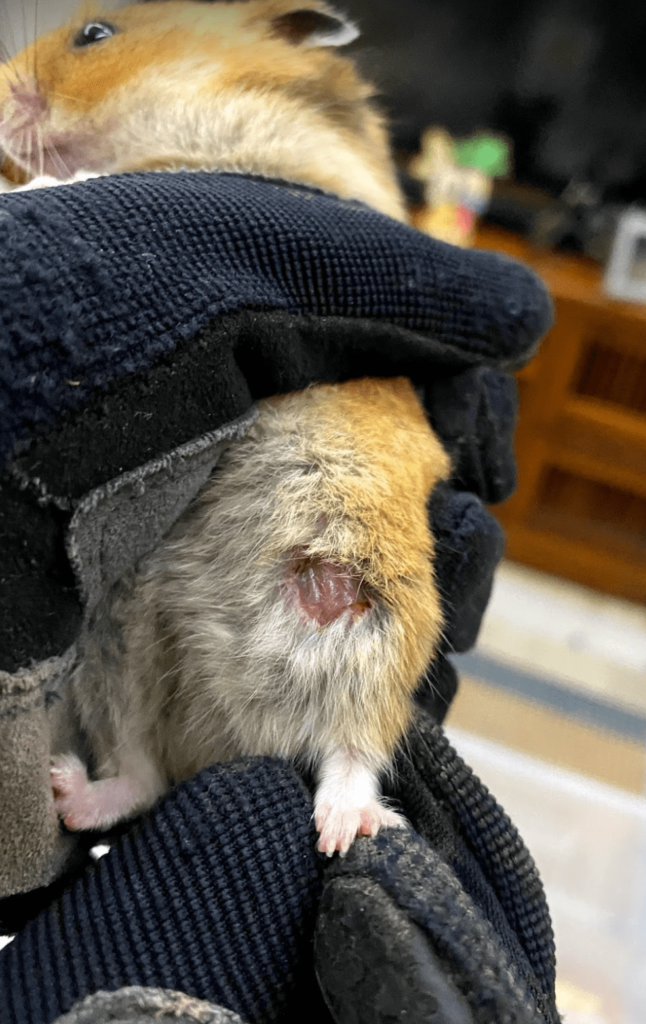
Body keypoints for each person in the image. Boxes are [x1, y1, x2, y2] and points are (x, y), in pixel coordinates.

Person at [0, 171, 557, 1023]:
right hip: (198, 595)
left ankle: (344, 772)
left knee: (378, 623)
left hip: (308, 549)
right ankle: (140, 779)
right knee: (128, 630)